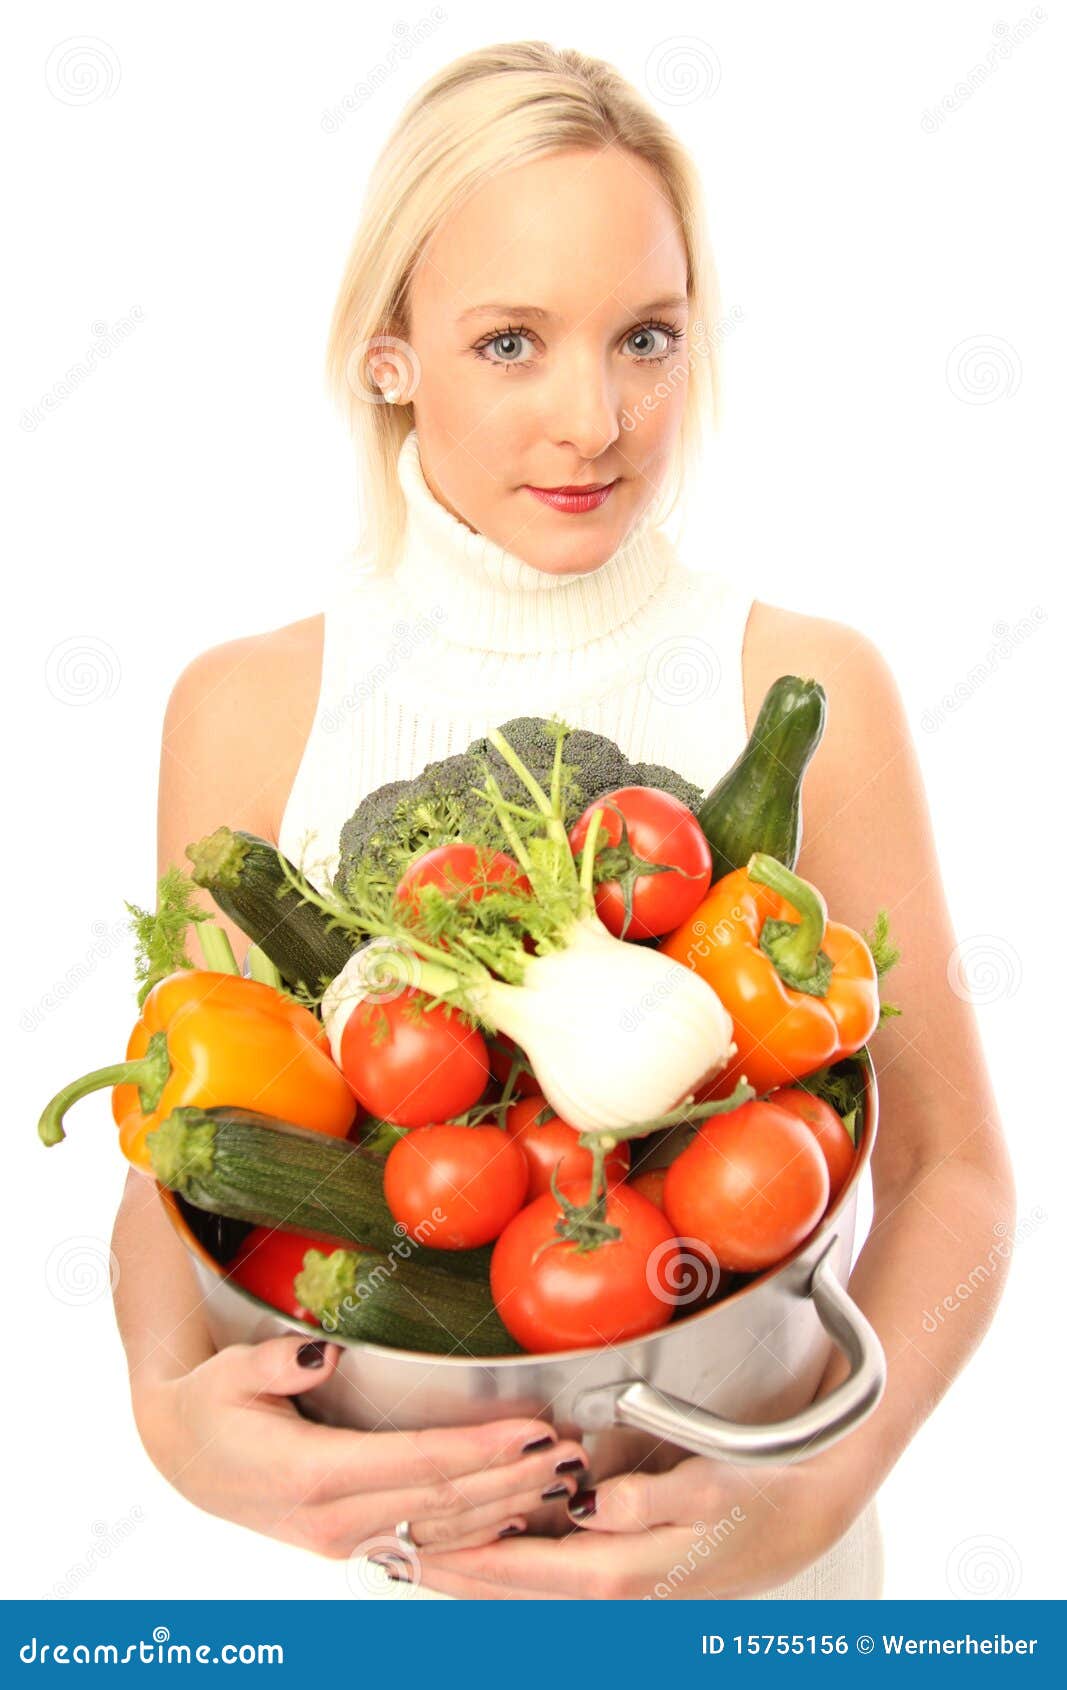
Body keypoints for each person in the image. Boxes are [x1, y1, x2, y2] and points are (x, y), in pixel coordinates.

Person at [111, 41, 1014, 1600]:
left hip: (754, 1580)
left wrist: (813, 1491)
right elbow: (180, 1168)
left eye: (645, 337)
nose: (594, 419)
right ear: (391, 351)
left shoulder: (803, 681)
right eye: (511, 341)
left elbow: (955, 1175)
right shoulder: (246, 708)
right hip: (388, 1581)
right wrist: (166, 1423)